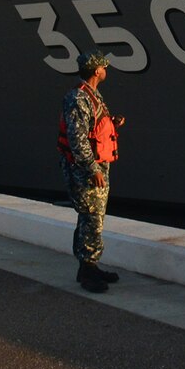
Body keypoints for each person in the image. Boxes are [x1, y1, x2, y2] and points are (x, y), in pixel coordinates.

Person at [58, 51, 125, 293]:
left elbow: (92, 128)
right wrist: (92, 168)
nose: (106, 69)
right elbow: (77, 140)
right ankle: (87, 271)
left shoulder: (91, 95)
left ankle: (91, 264)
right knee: (90, 217)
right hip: (85, 170)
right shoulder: (79, 98)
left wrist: (111, 123)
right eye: (103, 66)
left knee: (94, 218)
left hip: (95, 167)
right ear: (97, 71)